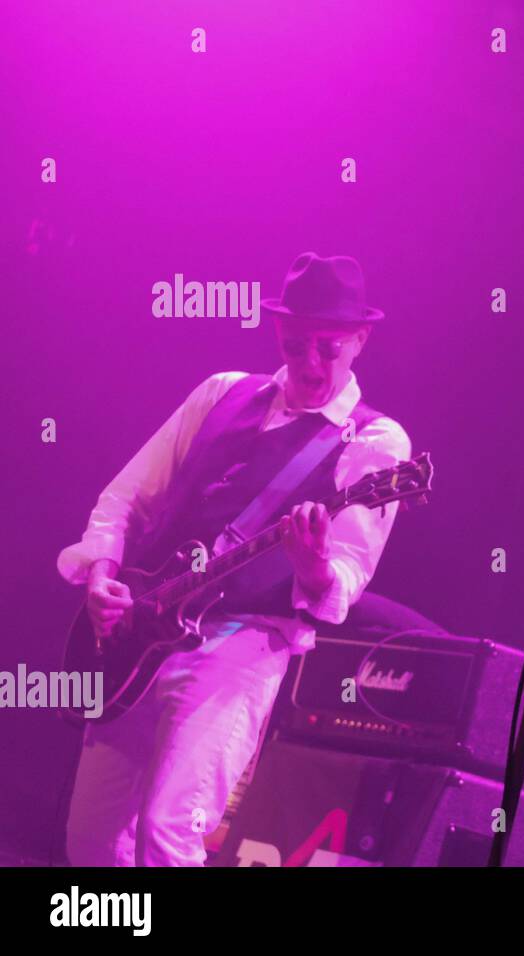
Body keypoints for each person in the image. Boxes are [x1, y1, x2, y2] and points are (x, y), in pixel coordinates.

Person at [59, 252, 411, 866]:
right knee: (90, 840)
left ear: (361, 339)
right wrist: (101, 575)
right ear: (277, 330)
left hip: (243, 647)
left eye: (329, 348)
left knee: (168, 834)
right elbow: (125, 497)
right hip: (138, 632)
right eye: (296, 344)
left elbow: (343, 584)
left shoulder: (375, 442)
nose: (310, 363)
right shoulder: (222, 393)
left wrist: (314, 567)